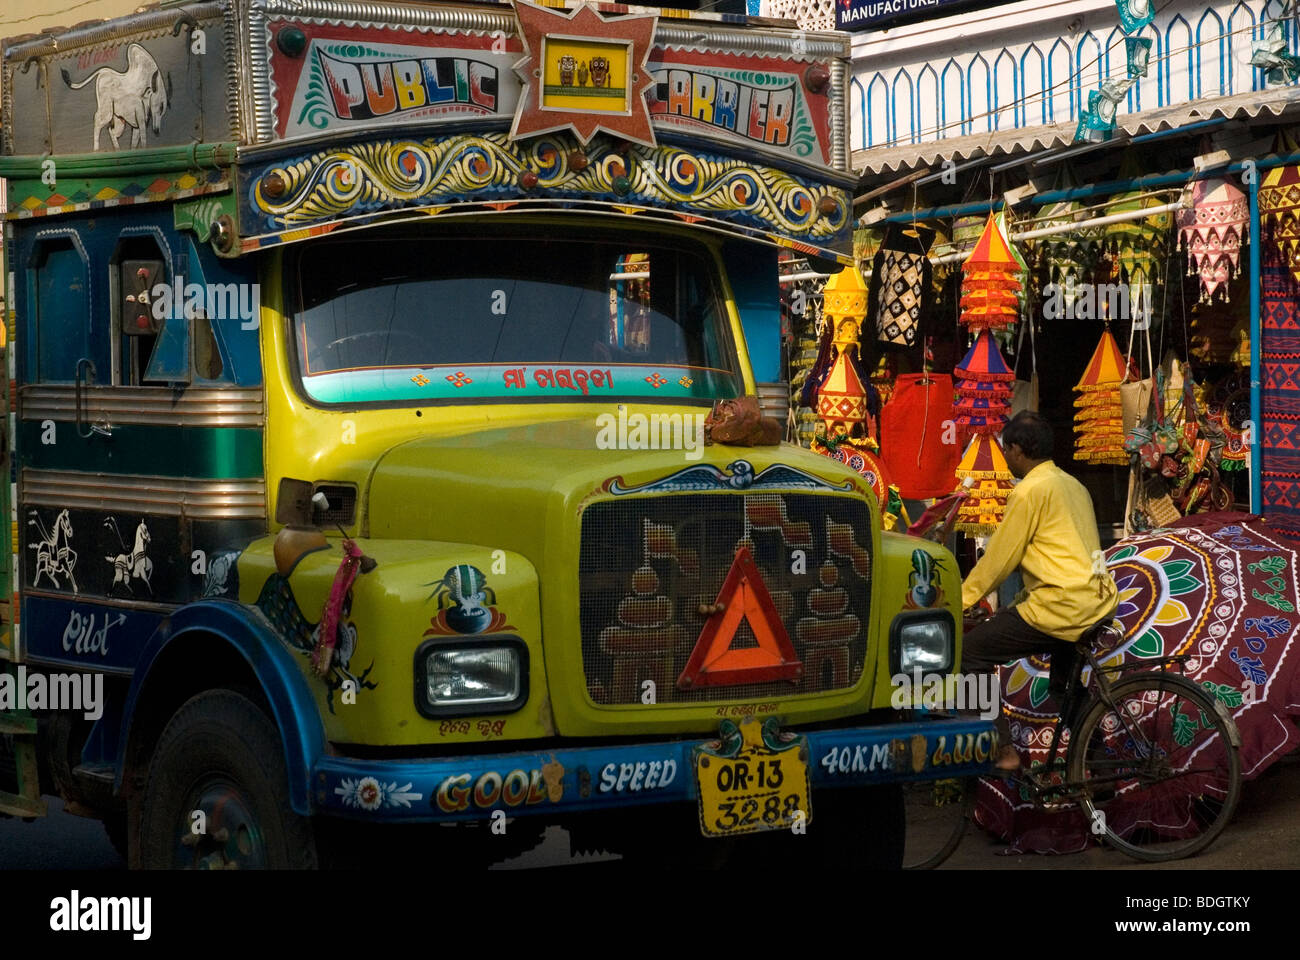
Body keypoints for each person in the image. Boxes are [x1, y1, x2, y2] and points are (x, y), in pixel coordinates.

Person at [960, 410, 1118, 770]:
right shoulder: (1072, 484)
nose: (1007, 458)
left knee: (968, 653)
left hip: (1061, 606)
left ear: (1017, 449)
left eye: (1006, 450)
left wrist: (960, 600)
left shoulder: (1030, 490)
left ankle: (1002, 748)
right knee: (1064, 688)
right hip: (1093, 600)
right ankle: (1097, 767)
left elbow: (999, 559)